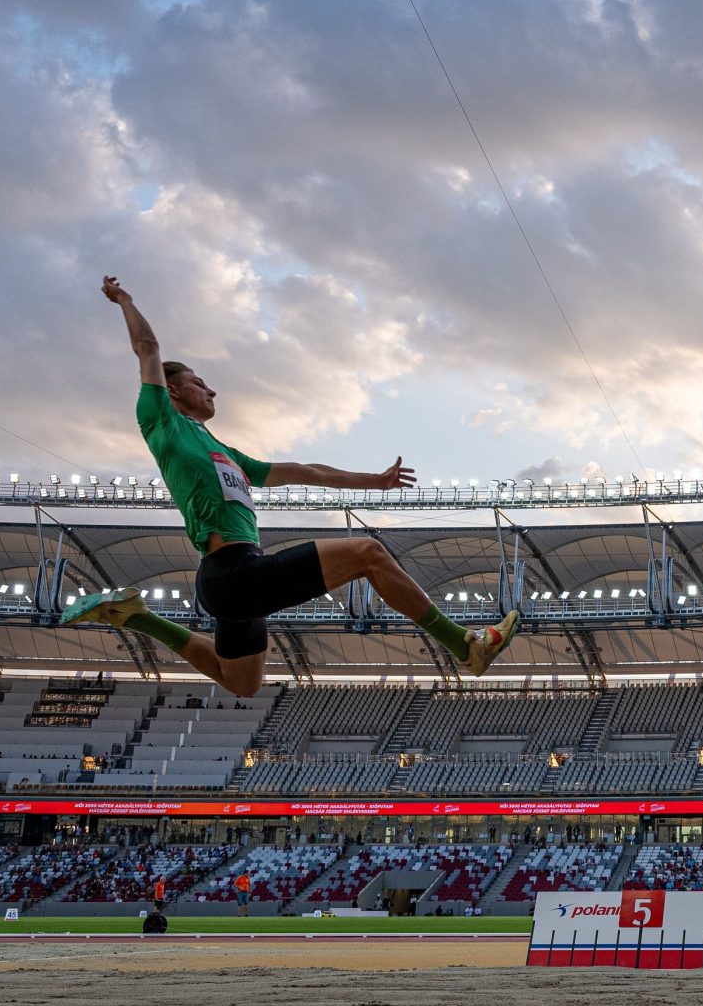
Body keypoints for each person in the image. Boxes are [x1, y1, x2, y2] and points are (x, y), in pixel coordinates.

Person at [63, 277, 518, 695]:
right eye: (200, 384)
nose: (212, 392)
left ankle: (140, 617)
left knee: (241, 683)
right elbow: (147, 347)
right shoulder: (162, 423)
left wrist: (374, 483)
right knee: (367, 553)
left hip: (230, 582)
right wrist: (125, 300)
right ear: (174, 391)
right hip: (232, 572)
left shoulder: (223, 452)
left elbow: (305, 472)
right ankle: (464, 645)